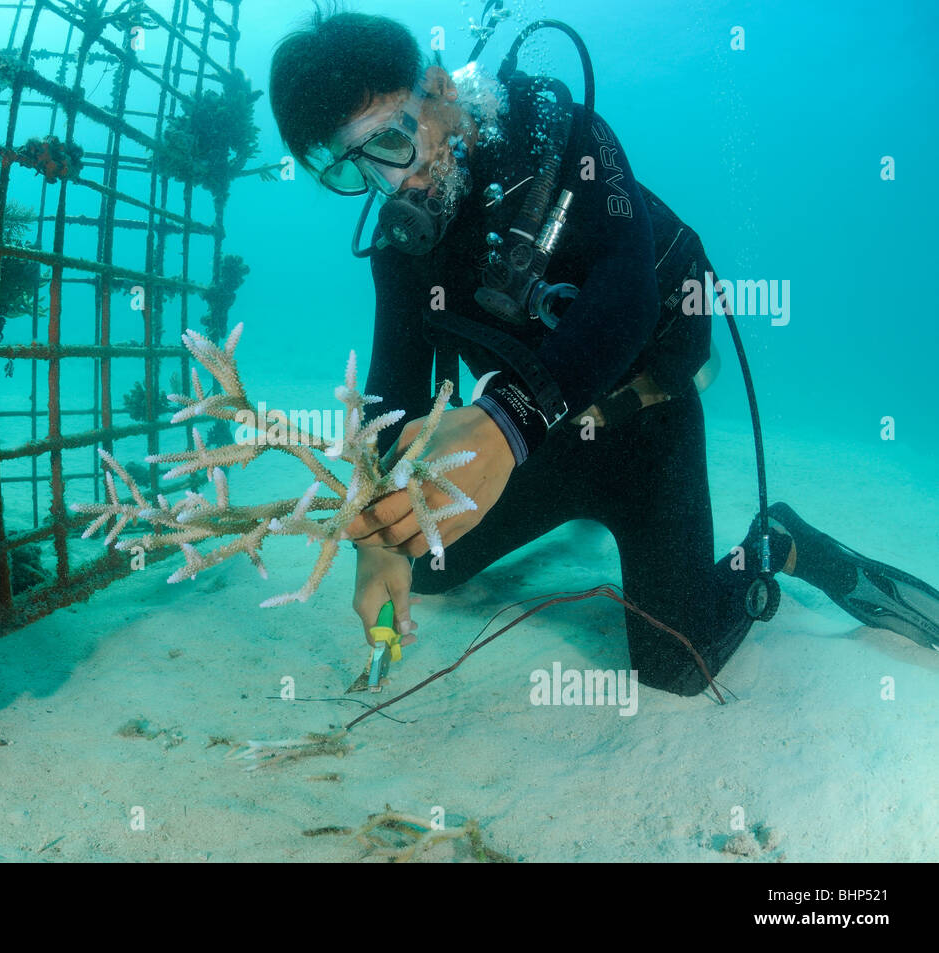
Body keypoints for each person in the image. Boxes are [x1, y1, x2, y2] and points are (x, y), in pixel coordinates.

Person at [268, 9, 939, 695]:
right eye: (353, 172)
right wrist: (375, 540)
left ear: (434, 91)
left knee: (678, 660)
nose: (390, 184)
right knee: (424, 555)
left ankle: (780, 540)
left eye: (389, 142)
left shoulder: (566, 138)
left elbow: (627, 297)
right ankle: (562, 509)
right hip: (541, 442)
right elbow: (393, 390)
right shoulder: (402, 248)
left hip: (644, 424)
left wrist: (501, 423)